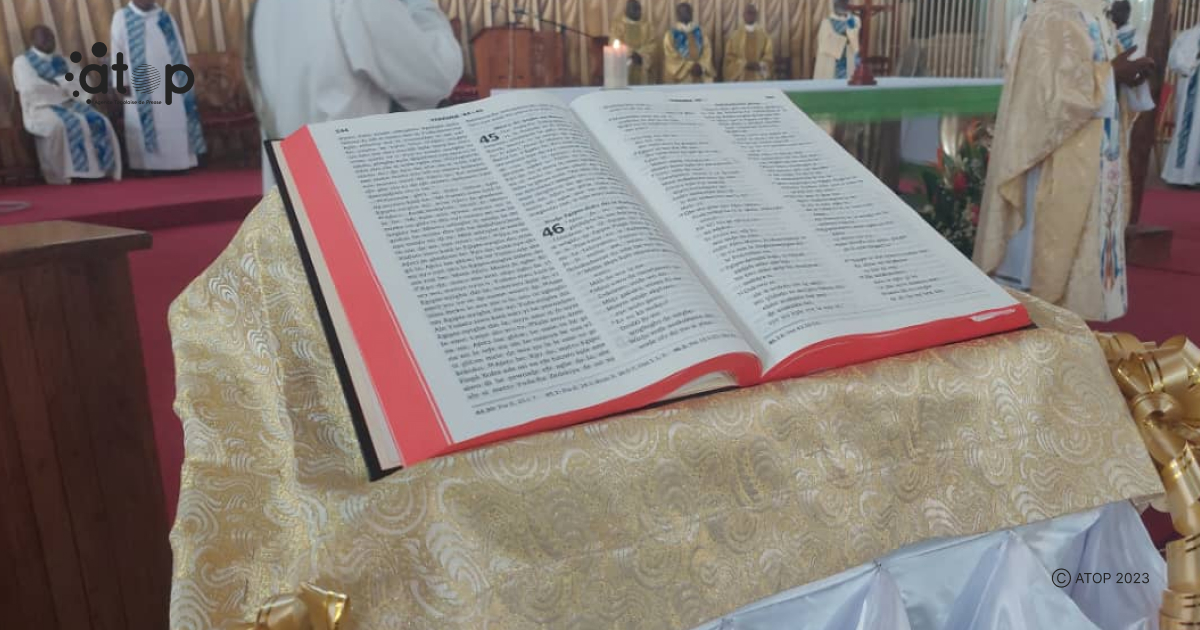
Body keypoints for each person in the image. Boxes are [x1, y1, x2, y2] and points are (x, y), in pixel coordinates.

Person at [973, 0, 1155, 322]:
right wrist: (1111, 76)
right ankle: (1037, 320)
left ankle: (1073, 327)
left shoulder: (1096, 12)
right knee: (1039, 274)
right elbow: (1045, 98)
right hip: (1053, 159)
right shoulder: (1051, 13)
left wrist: (1126, 80)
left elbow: (1097, 79)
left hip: (1096, 153)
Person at [247, 0, 462, 191]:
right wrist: (423, 8)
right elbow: (433, 77)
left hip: (297, 179)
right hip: (355, 184)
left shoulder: (263, 6)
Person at [12, 25, 121, 184]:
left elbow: (84, 83)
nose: (49, 41)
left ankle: (101, 170)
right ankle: (63, 174)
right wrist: (64, 85)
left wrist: (59, 83)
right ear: (33, 40)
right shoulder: (23, 62)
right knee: (59, 125)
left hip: (71, 104)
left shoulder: (64, 61)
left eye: (51, 37)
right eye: (44, 37)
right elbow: (31, 88)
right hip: (42, 107)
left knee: (100, 120)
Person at [109, 0, 205, 173]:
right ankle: (149, 166)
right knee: (147, 119)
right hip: (140, 84)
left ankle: (181, 163)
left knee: (175, 118)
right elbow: (118, 51)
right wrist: (120, 82)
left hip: (172, 81)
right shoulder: (122, 17)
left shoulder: (165, 17)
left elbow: (180, 49)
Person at [1163, 22, 1200, 187]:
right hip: (1191, 94)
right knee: (1189, 133)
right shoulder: (1188, 36)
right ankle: (1181, 176)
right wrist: (1192, 63)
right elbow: (1174, 60)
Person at [1109, 0, 1155, 113]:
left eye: (1118, 10)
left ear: (1127, 13)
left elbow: (1137, 59)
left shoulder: (1137, 35)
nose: (1114, 13)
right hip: (1108, 83)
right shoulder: (1108, 32)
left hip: (1126, 84)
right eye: (1113, 10)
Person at [663, 3, 714, 84]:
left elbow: (707, 50)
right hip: (682, 77)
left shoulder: (700, 31)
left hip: (700, 73)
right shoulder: (670, 35)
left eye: (689, 11)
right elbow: (671, 56)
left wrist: (701, 66)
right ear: (678, 15)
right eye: (683, 12)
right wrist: (690, 67)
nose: (687, 14)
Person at [610, 0, 659, 85]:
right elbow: (614, 42)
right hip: (625, 64)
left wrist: (641, 55)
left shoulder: (647, 25)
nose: (638, 11)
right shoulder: (618, 25)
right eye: (635, 9)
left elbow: (652, 44)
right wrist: (631, 53)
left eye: (639, 9)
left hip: (642, 63)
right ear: (627, 10)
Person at [723, 4, 773, 82]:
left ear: (756, 15)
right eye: (748, 13)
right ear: (743, 15)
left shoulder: (764, 36)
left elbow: (769, 55)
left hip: (759, 74)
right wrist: (744, 64)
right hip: (740, 75)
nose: (750, 15)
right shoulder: (734, 36)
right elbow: (729, 57)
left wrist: (760, 64)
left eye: (752, 13)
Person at [813, 0, 860, 80]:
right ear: (834, 4)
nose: (843, 4)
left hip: (849, 61)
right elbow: (824, 43)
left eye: (845, 2)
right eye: (840, 2)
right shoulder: (826, 23)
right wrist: (844, 38)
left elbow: (854, 37)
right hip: (831, 64)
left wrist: (847, 36)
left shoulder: (853, 20)